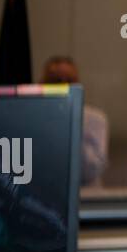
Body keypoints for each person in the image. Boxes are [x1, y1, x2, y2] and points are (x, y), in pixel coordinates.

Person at [41, 56, 110, 187]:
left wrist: (71, 124)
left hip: (87, 199)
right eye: (56, 81)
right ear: (42, 83)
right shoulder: (33, 118)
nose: (63, 86)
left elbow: (92, 170)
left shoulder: (96, 119)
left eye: (70, 80)